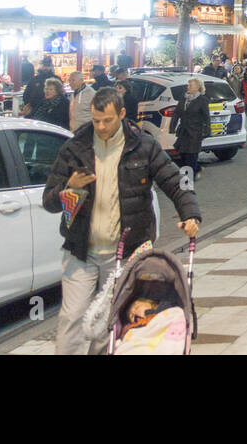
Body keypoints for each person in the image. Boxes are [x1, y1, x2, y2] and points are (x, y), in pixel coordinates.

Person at [42, 87, 200, 355]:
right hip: (81, 249)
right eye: (95, 121)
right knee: (72, 319)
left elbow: (176, 182)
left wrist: (190, 214)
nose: (101, 127)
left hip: (125, 253)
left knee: (110, 321)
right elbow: (49, 201)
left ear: (122, 114)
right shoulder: (75, 147)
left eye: (107, 120)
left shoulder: (143, 146)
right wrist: (70, 189)